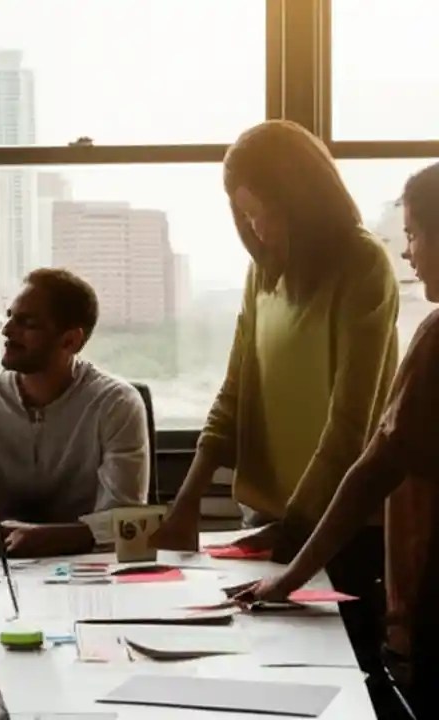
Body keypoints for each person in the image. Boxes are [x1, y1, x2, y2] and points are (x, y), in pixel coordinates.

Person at [151, 121, 398, 660]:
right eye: (245, 216)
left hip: (335, 530)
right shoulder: (261, 273)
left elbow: (349, 426)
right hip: (264, 524)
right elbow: (234, 394)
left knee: (334, 683)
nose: (256, 229)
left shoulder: (363, 266)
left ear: (304, 200)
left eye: (265, 212)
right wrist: (186, 500)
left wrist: (294, 532)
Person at [235, 162, 439, 713]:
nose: (408, 252)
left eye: (416, 233)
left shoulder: (436, 338)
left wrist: (293, 572)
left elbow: (376, 465)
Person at [0, 268, 150, 558]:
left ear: (70, 341)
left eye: (27, 323)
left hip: (89, 572)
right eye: (10, 316)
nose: (7, 330)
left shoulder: (116, 404)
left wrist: (54, 538)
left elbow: (126, 520)